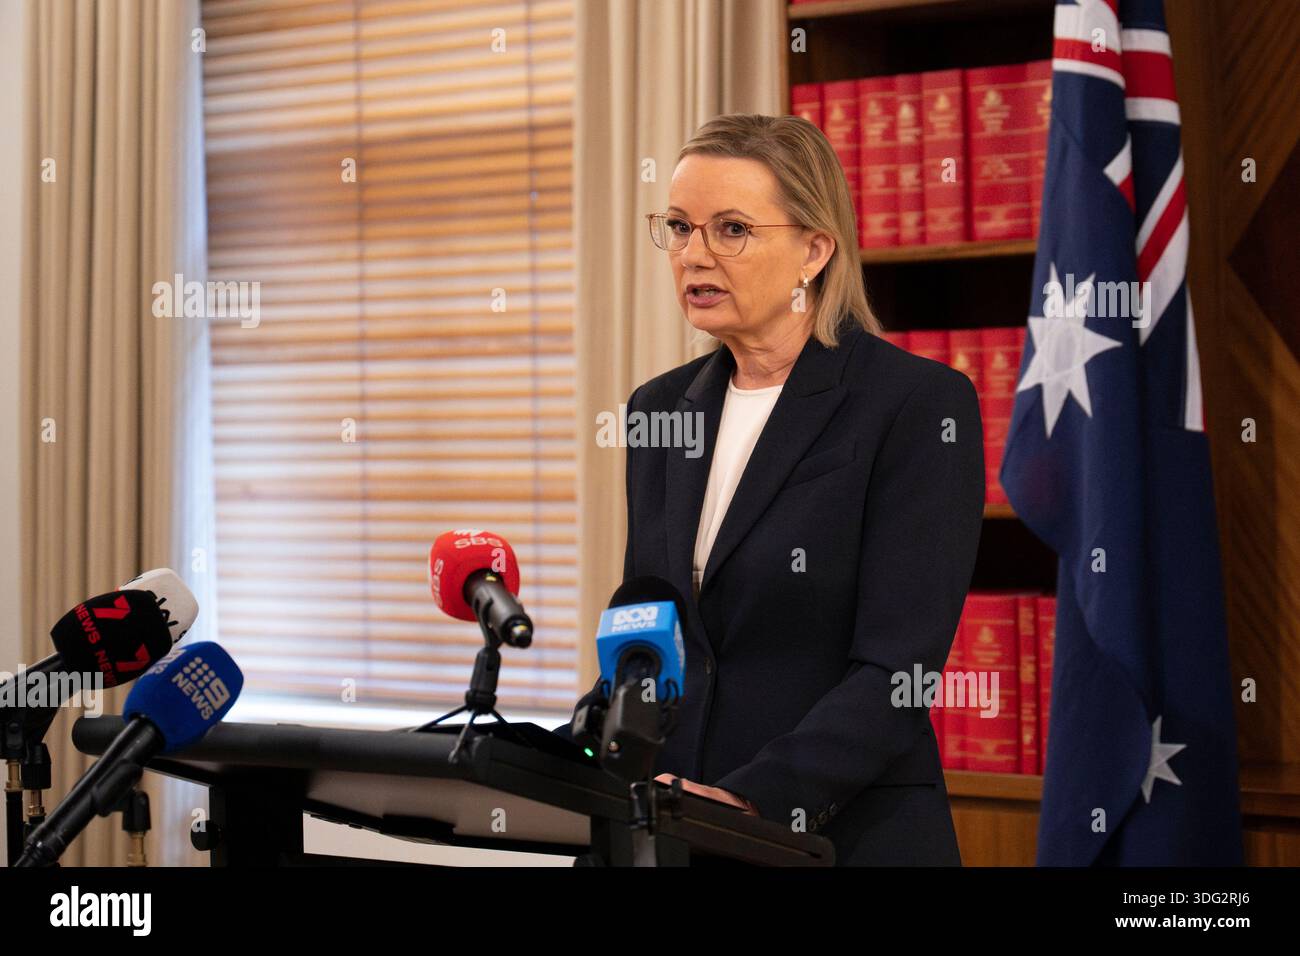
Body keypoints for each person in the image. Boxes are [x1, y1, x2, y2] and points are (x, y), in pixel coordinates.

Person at [564, 113, 984, 865]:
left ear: (814, 250)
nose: (695, 254)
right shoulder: (658, 410)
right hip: (676, 831)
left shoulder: (916, 406)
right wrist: (584, 751)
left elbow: (898, 673)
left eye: (730, 230)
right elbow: (650, 634)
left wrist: (752, 799)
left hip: (839, 835)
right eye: (680, 227)